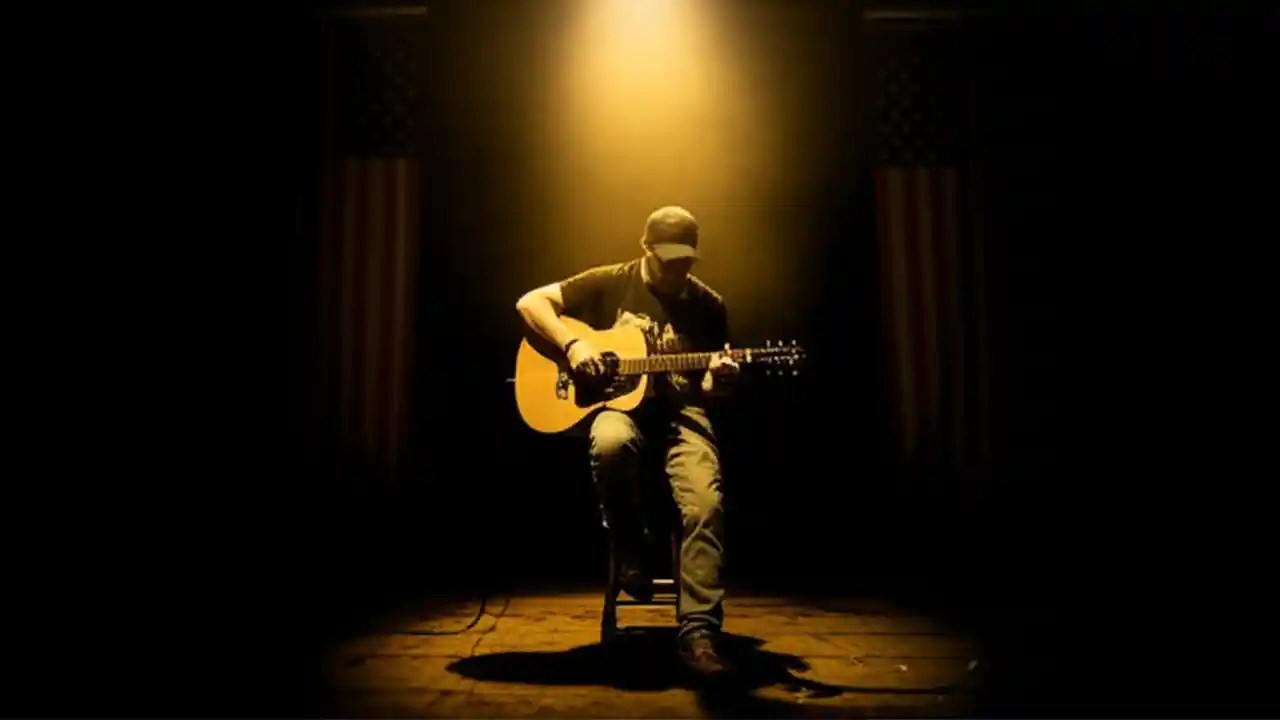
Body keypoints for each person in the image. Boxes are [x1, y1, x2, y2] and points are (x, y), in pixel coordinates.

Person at [515, 205, 739, 678]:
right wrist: (574, 345)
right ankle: (632, 548)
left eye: (685, 262)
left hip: (683, 416)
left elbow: (708, 391)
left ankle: (699, 633)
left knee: (704, 503)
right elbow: (530, 303)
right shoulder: (611, 281)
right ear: (646, 249)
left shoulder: (708, 306)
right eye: (668, 260)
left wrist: (717, 382)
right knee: (610, 443)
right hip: (620, 410)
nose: (677, 271)